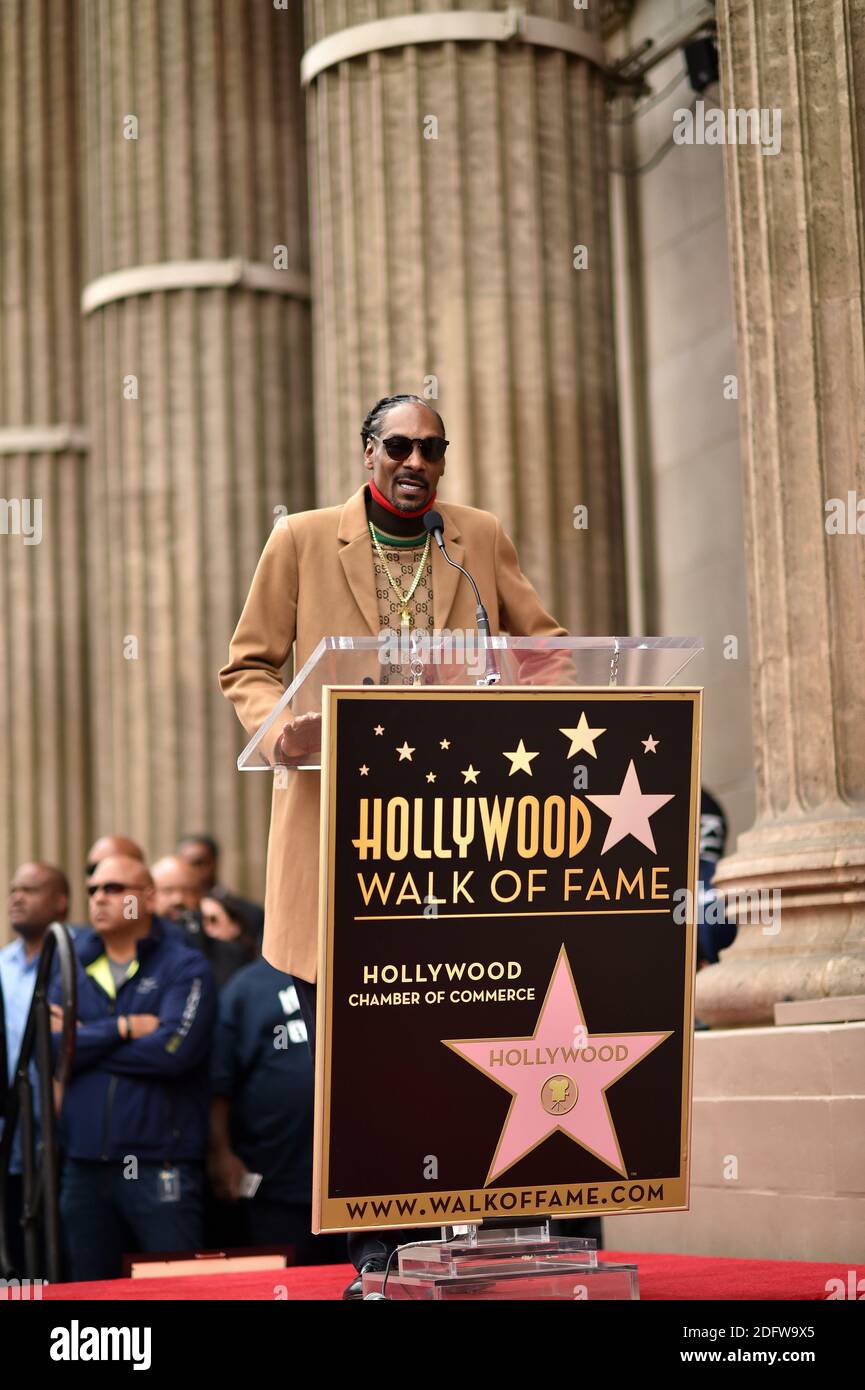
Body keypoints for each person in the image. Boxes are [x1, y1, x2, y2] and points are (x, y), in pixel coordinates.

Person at [219, 393, 569, 1295]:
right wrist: (284, 725)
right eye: (400, 446)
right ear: (367, 450)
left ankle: (487, 1214)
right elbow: (247, 664)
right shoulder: (300, 539)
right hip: (343, 831)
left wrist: (545, 720)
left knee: (471, 1022)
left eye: (433, 450)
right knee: (369, 1041)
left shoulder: (475, 538)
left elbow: (548, 651)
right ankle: (379, 1237)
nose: (416, 463)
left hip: (462, 833)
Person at [49, 854, 217, 1281]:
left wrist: (85, 1041)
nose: (99, 898)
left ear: (147, 896)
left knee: (178, 1288)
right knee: (87, 1293)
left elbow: (174, 1050)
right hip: (84, 1167)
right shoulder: (72, 965)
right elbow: (50, 1050)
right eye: (92, 890)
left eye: (114, 888)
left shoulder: (185, 965)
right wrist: (124, 1028)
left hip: (161, 1165)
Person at [209, 959, 345, 1265]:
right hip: (276, 1182)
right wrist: (221, 1153)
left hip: (359, 1188)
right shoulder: (248, 987)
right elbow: (220, 1084)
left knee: (366, 1285)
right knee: (289, 1286)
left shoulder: (364, 972)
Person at [1, 863, 71, 1273]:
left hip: (60, 1134)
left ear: (60, 901)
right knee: (15, 1260)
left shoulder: (73, 957)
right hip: (9, 1135)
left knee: (60, 1259)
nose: (17, 897)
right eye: (13, 889)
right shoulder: (2, 963)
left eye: (30, 889)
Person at [151, 855, 250, 989]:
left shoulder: (231, 955)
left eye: (188, 891)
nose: (178, 899)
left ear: (201, 896)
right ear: (150, 896)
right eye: (168, 890)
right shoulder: (135, 952)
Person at [175, 834, 264, 941]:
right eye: (183, 865)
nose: (189, 871)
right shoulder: (171, 912)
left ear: (214, 863)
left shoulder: (250, 913)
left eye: (198, 863)